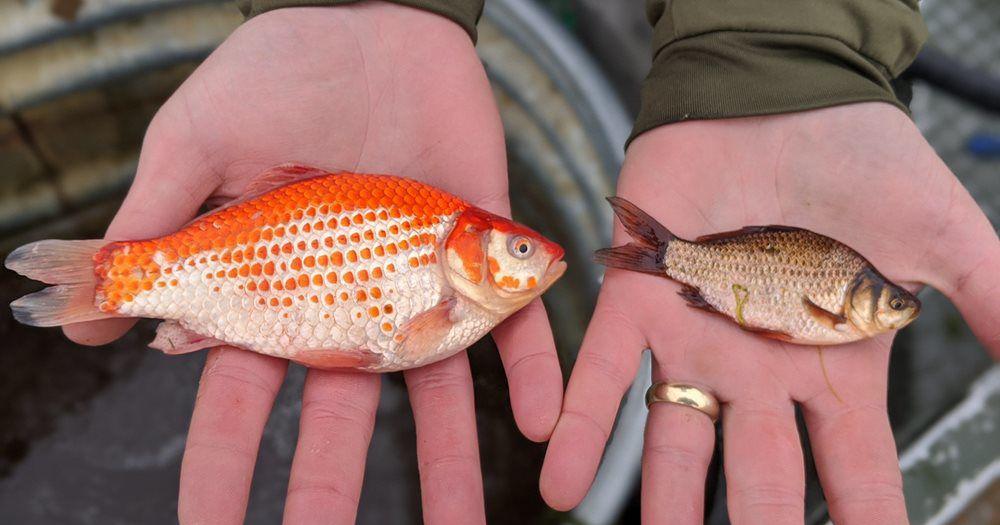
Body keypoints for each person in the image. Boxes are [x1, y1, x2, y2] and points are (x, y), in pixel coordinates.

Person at [62, 0, 1000, 524]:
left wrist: (777, 50)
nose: (533, 257)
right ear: (469, 245)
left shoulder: (456, 276)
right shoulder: (444, 275)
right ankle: (126, 277)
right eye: (516, 247)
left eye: (522, 246)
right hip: (244, 263)